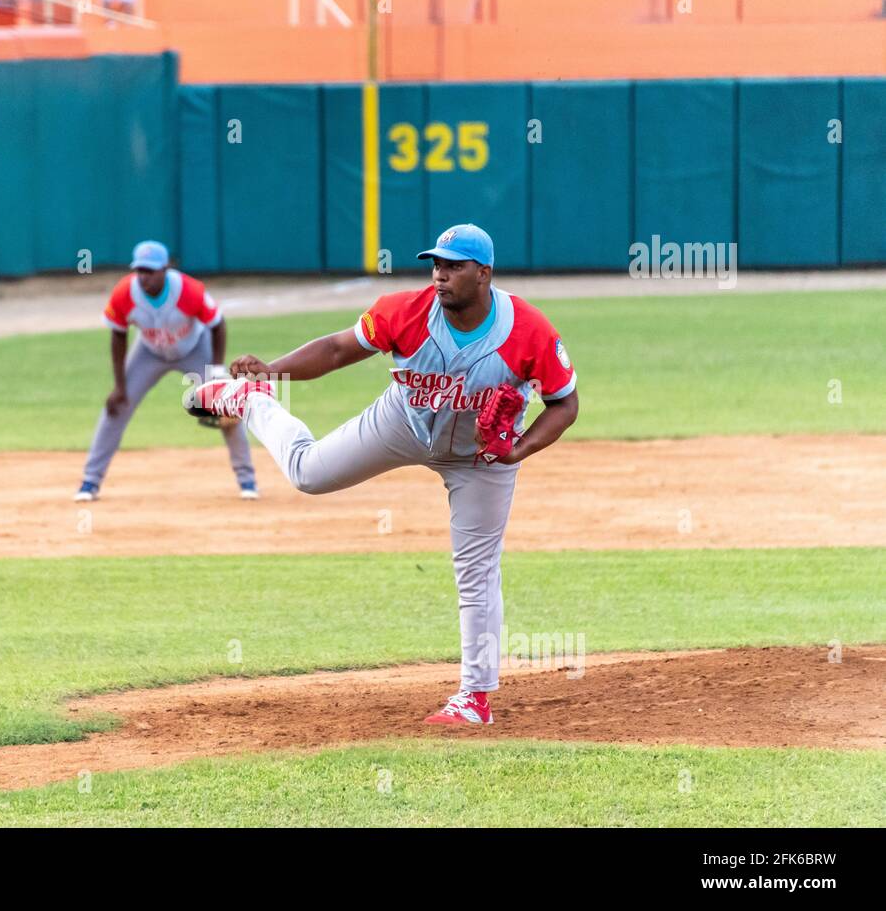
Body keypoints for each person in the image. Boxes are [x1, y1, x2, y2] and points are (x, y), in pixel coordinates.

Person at [188, 224, 579, 725]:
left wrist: (519, 449)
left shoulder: (528, 330)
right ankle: (248, 400)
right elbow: (334, 350)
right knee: (308, 473)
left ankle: (474, 698)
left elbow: (564, 403)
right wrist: (270, 372)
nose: (440, 275)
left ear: (484, 274)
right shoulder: (404, 311)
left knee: (477, 569)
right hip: (403, 421)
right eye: (436, 264)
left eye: (454, 266)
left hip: (479, 458)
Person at [75, 240, 258, 502]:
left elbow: (217, 325)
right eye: (139, 270)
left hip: (195, 348)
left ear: (165, 269)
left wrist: (217, 372)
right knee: (116, 406)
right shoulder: (125, 293)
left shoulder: (188, 290)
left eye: (150, 271)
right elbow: (118, 335)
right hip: (149, 353)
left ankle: (247, 479)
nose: (143, 277)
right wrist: (119, 385)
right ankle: (90, 482)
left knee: (225, 406)